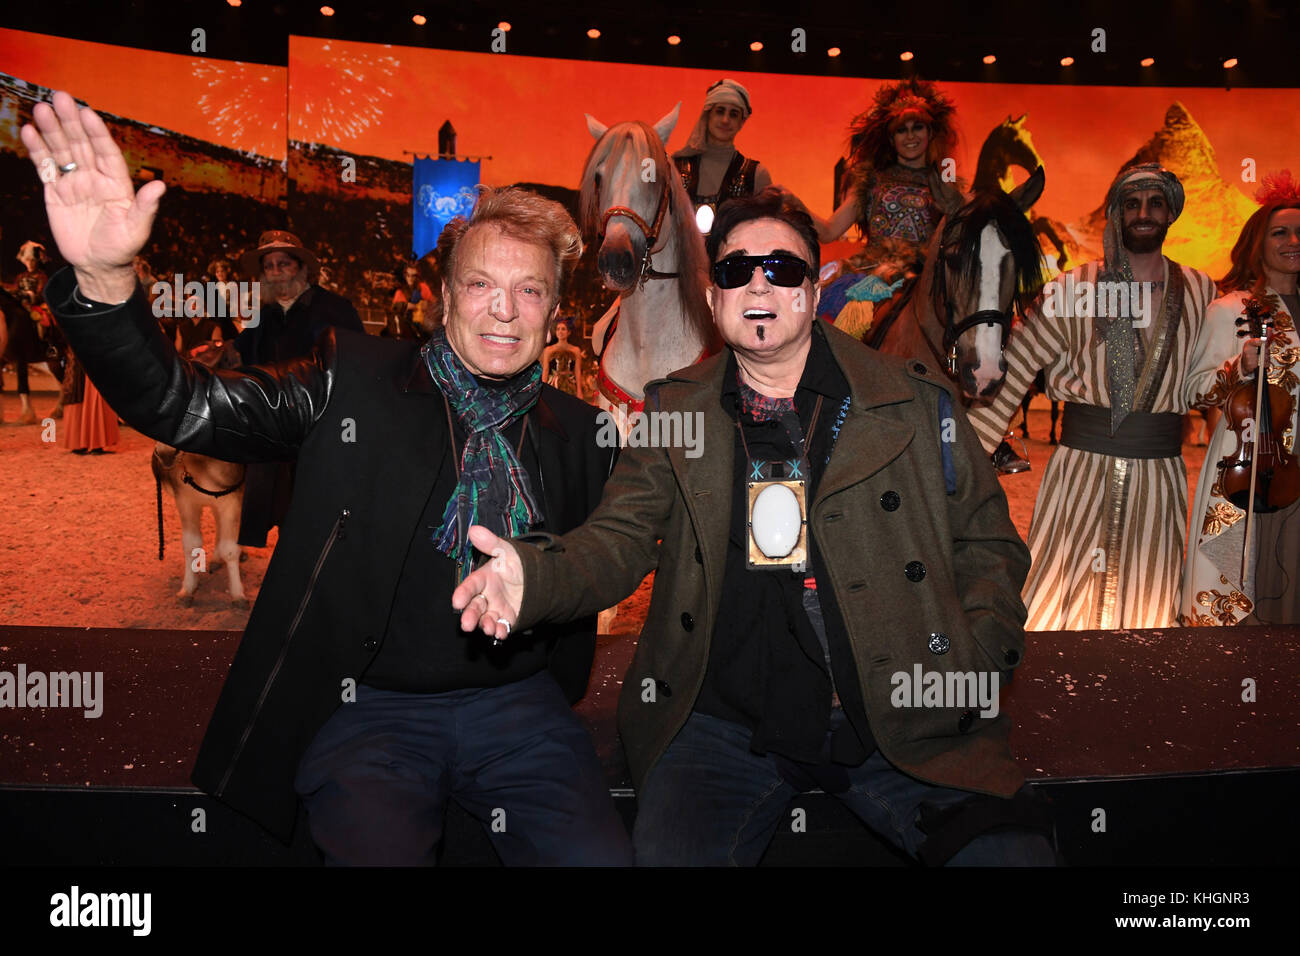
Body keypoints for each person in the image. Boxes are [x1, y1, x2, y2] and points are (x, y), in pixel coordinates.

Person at [26, 92, 630, 865]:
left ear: (554, 316)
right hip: (370, 706)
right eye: (481, 284)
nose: (504, 311)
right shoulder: (352, 379)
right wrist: (107, 286)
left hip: (520, 711)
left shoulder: (580, 434)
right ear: (445, 297)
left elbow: (628, 546)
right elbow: (189, 406)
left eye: (530, 291)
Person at [454, 187, 1057, 866]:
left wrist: (976, 655)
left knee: (1011, 858)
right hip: (723, 725)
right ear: (714, 300)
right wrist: (535, 575)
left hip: (900, 715)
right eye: (737, 270)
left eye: (785, 268)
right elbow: (617, 540)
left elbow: (987, 544)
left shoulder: (915, 403)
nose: (759, 283)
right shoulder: (674, 413)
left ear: (814, 290)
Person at [967, 164, 1225, 630]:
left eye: (1156, 203)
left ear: (1171, 214)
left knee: (1149, 596)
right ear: (1114, 213)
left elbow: (1200, 382)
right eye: (1131, 204)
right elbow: (1019, 363)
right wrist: (964, 458)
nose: (1143, 213)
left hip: (1159, 476)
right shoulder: (1072, 288)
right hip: (1079, 471)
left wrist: (1237, 372)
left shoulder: (1202, 291)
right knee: (1060, 590)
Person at [1181, 173, 1300, 626]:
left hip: (1296, 465)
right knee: (1252, 579)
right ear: (1258, 242)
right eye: (1280, 232)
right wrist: (1239, 368)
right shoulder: (1232, 308)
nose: (1293, 241)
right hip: (1252, 467)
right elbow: (1195, 388)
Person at [234, 230, 365, 548]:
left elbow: (356, 368)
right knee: (275, 508)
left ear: (303, 268)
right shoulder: (261, 317)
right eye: (269, 266)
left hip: (320, 431)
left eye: (284, 264)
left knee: (315, 517)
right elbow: (241, 362)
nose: (276, 272)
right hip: (274, 433)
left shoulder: (335, 310)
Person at [671, 79, 772, 231]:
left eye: (733, 114)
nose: (725, 120)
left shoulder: (756, 174)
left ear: (741, 122)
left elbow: (767, 231)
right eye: (720, 111)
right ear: (707, 115)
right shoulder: (676, 166)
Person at [541, 318, 584, 398]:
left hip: (570, 384)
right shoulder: (549, 350)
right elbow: (545, 370)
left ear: (568, 332)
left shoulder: (575, 350)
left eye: (563, 329)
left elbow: (577, 371)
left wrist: (579, 390)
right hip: (554, 384)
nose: (560, 331)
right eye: (558, 329)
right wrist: (543, 390)